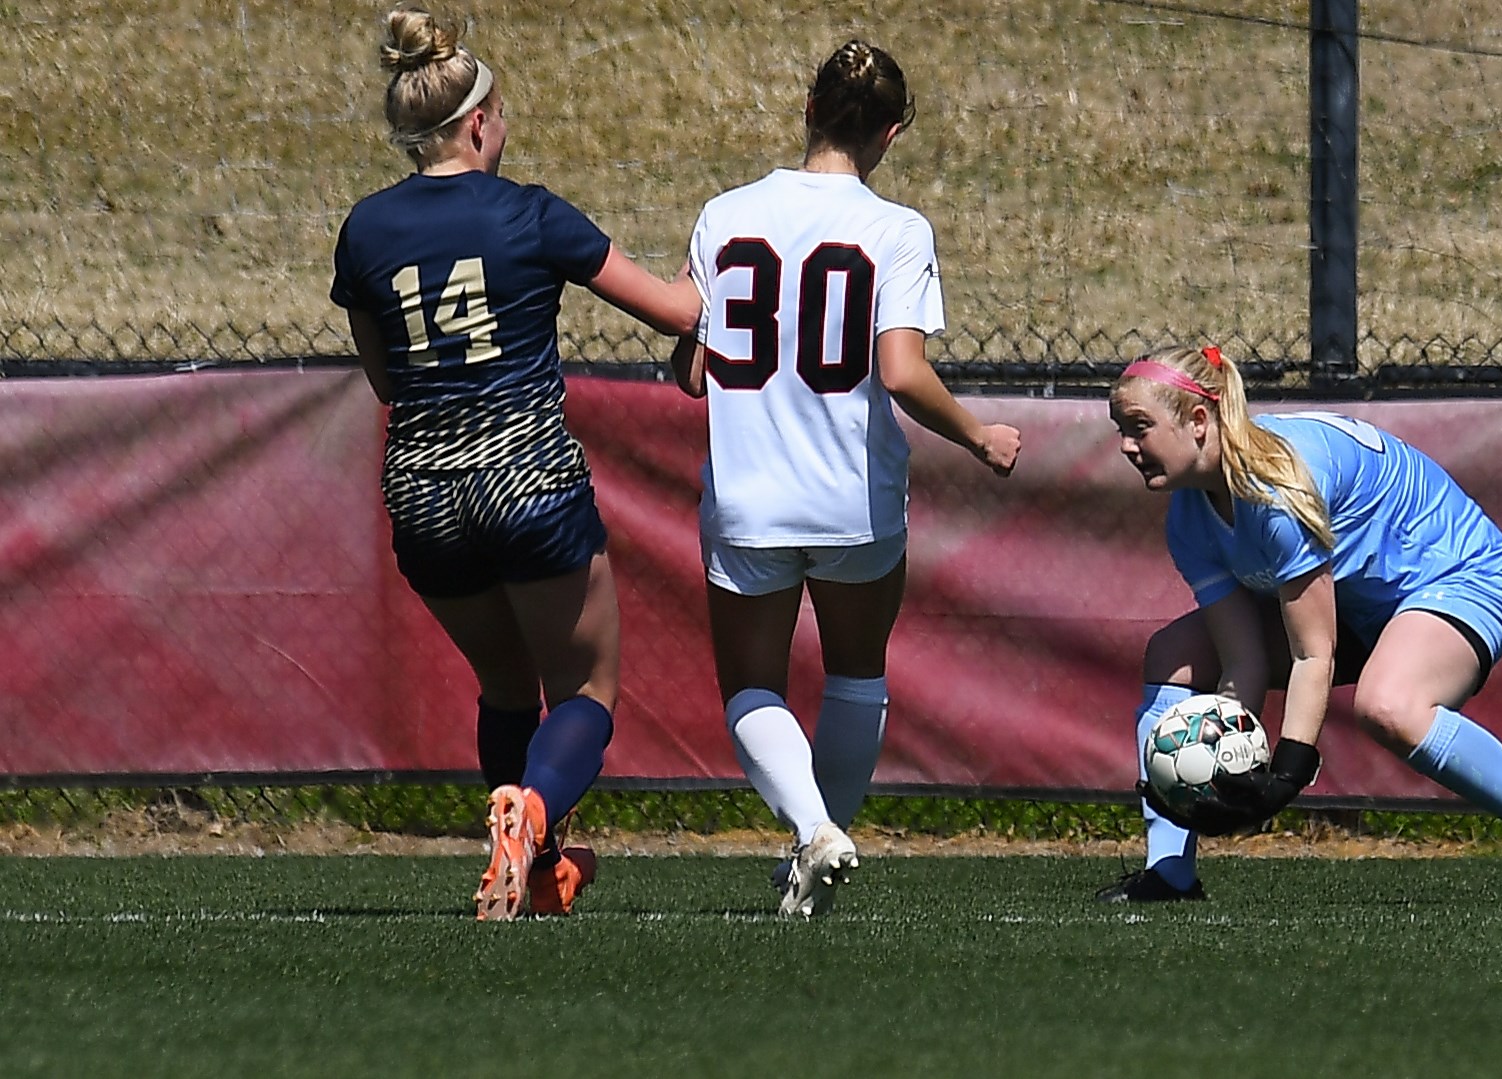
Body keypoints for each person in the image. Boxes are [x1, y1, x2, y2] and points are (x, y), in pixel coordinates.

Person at [329, 7, 700, 920]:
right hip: (524, 472)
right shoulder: (531, 213)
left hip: (421, 488)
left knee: (504, 686)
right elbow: (675, 310)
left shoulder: (365, 229)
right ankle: (531, 810)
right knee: (586, 688)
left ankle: (535, 873)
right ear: (480, 123)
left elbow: (385, 379)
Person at [671, 40, 1021, 918]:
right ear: (891, 133)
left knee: (753, 688)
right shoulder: (895, 229)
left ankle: (812, 831)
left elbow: (691, 367)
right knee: (857, 674)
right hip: (855, 501)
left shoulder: (725, 214)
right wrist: (979, 435)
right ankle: (820, 841)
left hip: (750, 499)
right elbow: (900, 371)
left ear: (808, 112)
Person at [1099, 345, 1502, 904]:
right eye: (1120, 430)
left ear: (1198, 421)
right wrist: (1218, 768)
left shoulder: (1276, 490)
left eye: (1140, 428)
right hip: (1353, 609)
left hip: (1459, 579)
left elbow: (1311, 654)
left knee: (1388, 706)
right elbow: (1241, 659)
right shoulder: (1189, 516)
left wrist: (1287, 774)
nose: (1127, 446)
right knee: (1173, 654)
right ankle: (1169, 872)